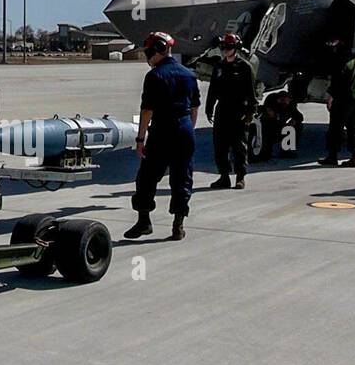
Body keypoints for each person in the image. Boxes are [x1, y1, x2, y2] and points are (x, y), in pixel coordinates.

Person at [126, 31, 201, 241]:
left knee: (147, 178)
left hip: (162, 132)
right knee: (182, 179)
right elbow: (194, 108)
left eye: (149, 52)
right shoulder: (189, 74)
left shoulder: (154, 76)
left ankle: (144, 221)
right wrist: (188, 130)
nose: (148, 58)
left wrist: (140, 140)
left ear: (158, 50)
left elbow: (147, 111)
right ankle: (178, 226)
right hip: (185, 130)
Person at [204, 32, 256, 189]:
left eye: (229, 47)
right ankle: (224, 176)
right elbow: (213, 89)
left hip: (238, 110)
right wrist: (209, 108)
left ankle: (240, 177)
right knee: (220, 145)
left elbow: (251, 91)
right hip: (222, 110)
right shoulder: (219, 67)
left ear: (236, 48)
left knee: (239, 146)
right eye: (223, 47)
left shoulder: (245, 67)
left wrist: (250, 112)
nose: (225, 50)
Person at [317, 38, 355, 167]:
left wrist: (331, 96)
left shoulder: (341, 61)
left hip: (343, 98)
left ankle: (332, 156)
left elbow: (337, 81)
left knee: (335, 127)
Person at [257, 89, 303, 161]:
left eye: (286, 100)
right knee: (266, 128)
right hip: (270, 127)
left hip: (282, 127)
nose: (284, 102)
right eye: (281, 100)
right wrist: (268, 112)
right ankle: (265, 152)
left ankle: (286, 150)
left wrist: (293, 121)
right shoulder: (271, 102)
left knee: (296, 127)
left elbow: (299, 116)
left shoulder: (290, 106)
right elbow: (261, 110)